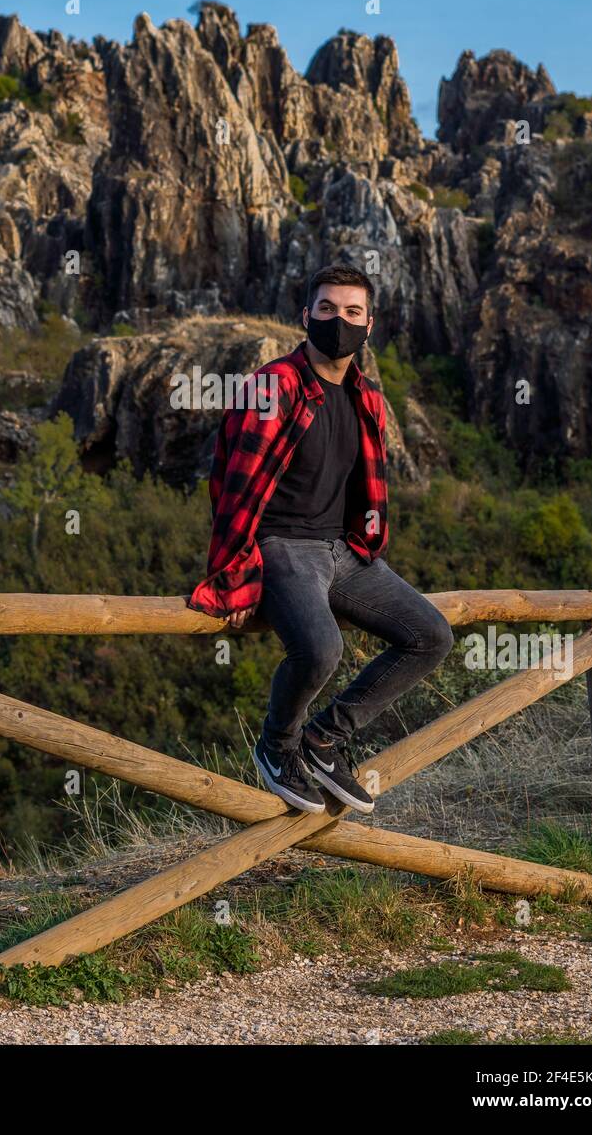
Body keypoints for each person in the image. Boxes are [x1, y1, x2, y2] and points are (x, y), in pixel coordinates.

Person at [188, 263, 454, 814]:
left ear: (369, 324)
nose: (340, 321)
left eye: (352, 312)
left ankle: (324, 739)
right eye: (328, 309)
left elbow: (368, 488)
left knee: (431, 635)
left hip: (344, 550)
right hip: (283, 546)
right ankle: (278, 745)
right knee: (321, 648)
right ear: (305, 315)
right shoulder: (274, 385)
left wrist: (368, 545)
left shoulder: (368, 398)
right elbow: (233, 490)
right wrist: (235, 575)